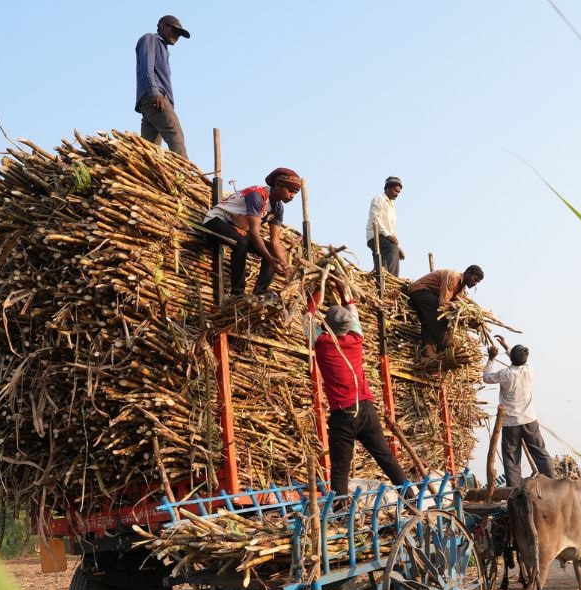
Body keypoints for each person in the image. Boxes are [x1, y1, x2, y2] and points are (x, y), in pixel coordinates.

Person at [315, 278, 409, 497]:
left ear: (326, 326)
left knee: (340, 469)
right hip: (366, 410)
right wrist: (341, 286)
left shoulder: (321, 343)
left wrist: (317, 288)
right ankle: (411, 497)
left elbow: (307, 316)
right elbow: (351, 306)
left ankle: (340, 508)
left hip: (343, 415)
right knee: (386, 458)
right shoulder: (357, 338)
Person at [202, 168, 300, 298]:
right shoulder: (257, 196)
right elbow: (254, 233)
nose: (292, 196)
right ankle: (237, 293)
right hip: (215, 222)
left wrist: (286, 266)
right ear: (278, 185)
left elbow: (275, 241)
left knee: (270, 249)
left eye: (295, 193)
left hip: (236, 229)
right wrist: (269, 259)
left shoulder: (278, 208)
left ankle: (260, 292)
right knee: (241, 243)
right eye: (290, 191)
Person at [483, 336, 553, 488]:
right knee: (540, 453)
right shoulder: (529, 371)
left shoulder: (505, 374)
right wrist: (507, 347)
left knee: (512, 460)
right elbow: (519, 360)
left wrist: (491, 359)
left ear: (512, 358)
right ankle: (552, 484)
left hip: (510, 423)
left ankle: (514, 492)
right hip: (529, 420)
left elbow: (487, 378)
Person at [135, 15, 190, 158]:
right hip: (156, 98)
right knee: (175, 133)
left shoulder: (164, 49)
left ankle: (148, 171)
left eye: (179, 34)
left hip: (152, 101)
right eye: (175, 31)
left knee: (150, 148)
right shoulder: (150, 39)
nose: (177, 36)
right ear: (162, 25)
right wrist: (154, 92)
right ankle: (184, 169)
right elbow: (146, 67)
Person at [406, 265, 484, 357]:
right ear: (468, 273)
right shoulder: (453, 277)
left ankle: (428, 356)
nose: (475, 283)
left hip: (426, 295)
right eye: (475, 279)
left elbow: (457, 304)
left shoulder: (461, 289)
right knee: (441, 317)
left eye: (478, 282)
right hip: (419, 290)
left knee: (429, 323)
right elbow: (443, 304)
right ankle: (447, 348)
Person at [366, 177, 403, 275]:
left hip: (385, 237)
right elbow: (375, 218)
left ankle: (379, 278)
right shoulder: (379, 199)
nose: (397, 194)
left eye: (398, 192)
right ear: (388, 188)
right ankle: (393, 277)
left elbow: (391, 228)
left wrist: (397, 246)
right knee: (392, 249)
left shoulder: (392, 205)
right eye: (395, 191)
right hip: (376, 235)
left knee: (382, 264)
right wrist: (388, 236)